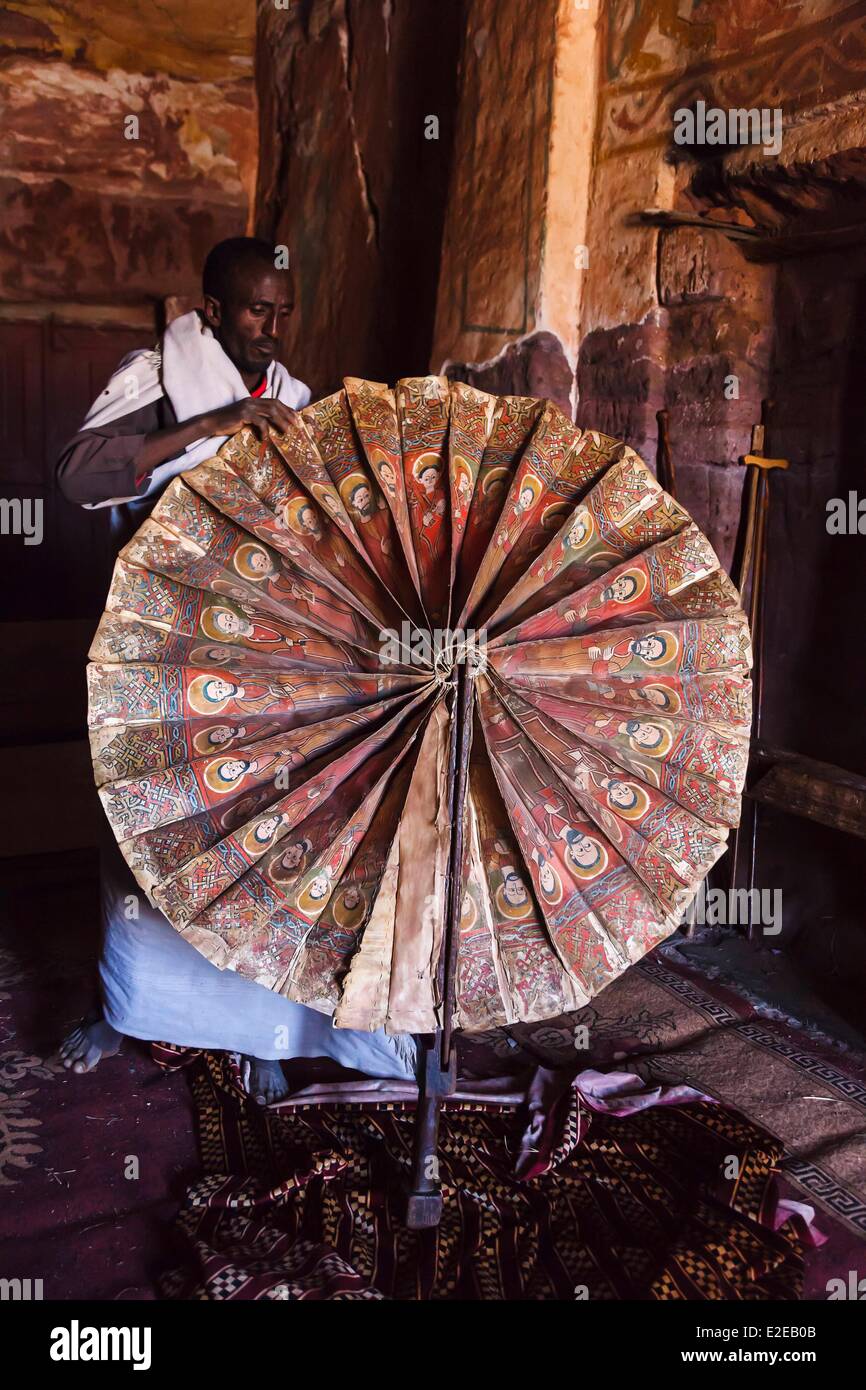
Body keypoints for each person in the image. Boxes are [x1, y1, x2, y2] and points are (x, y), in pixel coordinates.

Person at [56, 237, 415, 1103]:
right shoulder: (159, 380)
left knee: (259, 841)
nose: (273, 325)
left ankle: (256, 1028)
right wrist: (211, 428)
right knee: (149, 836)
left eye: (284, 310)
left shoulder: (294, 400)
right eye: (257, 309)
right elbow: (75, 477)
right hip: (157, 649)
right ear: (213, 309)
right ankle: (129, 1010)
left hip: (262, 659)